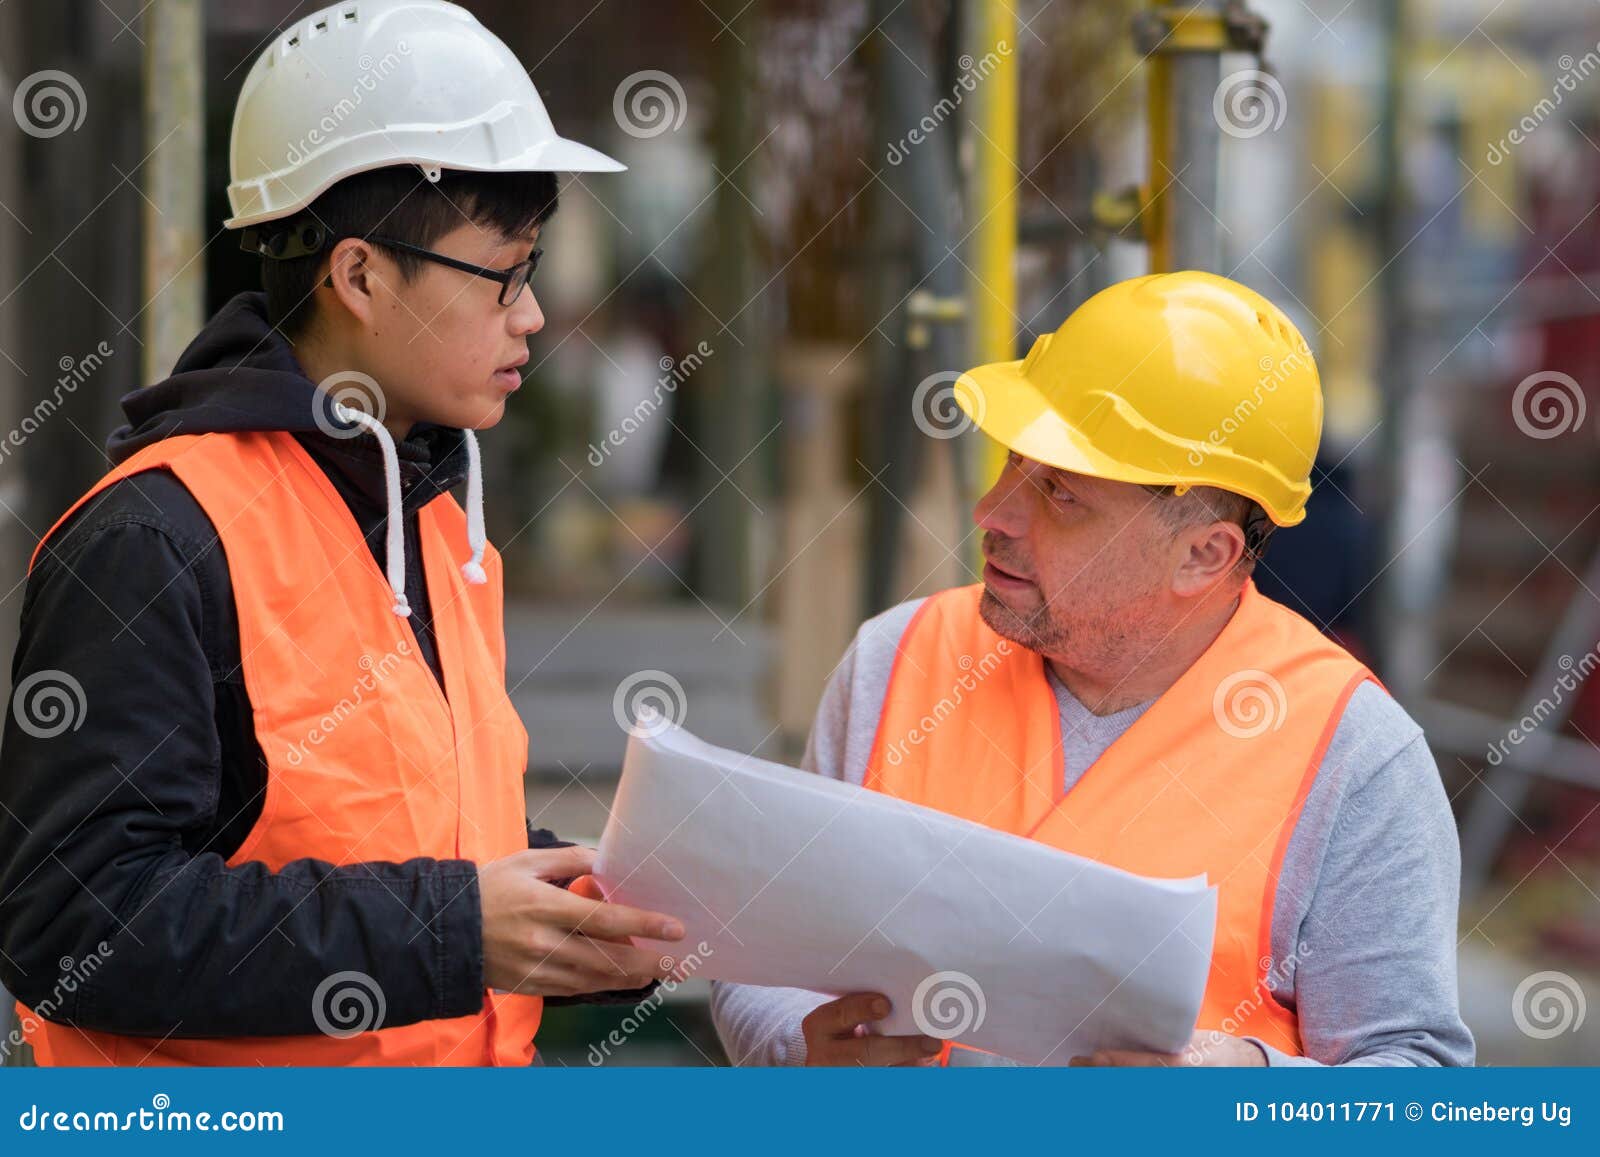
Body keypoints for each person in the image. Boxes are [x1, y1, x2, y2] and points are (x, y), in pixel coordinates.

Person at [0, 0, 683, 1066]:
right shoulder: (155, 541)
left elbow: (413, 835)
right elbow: (72, 925)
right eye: (504, 273)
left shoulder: (432, 519)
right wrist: (455, 929)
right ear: (360, 275)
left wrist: (590, 902)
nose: (532, 314)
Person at [711, 271, 1476, 1068]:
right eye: (1012, 462)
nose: (993, 512)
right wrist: (799, 1049)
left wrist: (1237, 1086)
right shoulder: (898, 659)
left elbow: (1414, 1076)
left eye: (1060, 494)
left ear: (1202, 553)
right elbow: (763, 947)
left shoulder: (1351, 753)